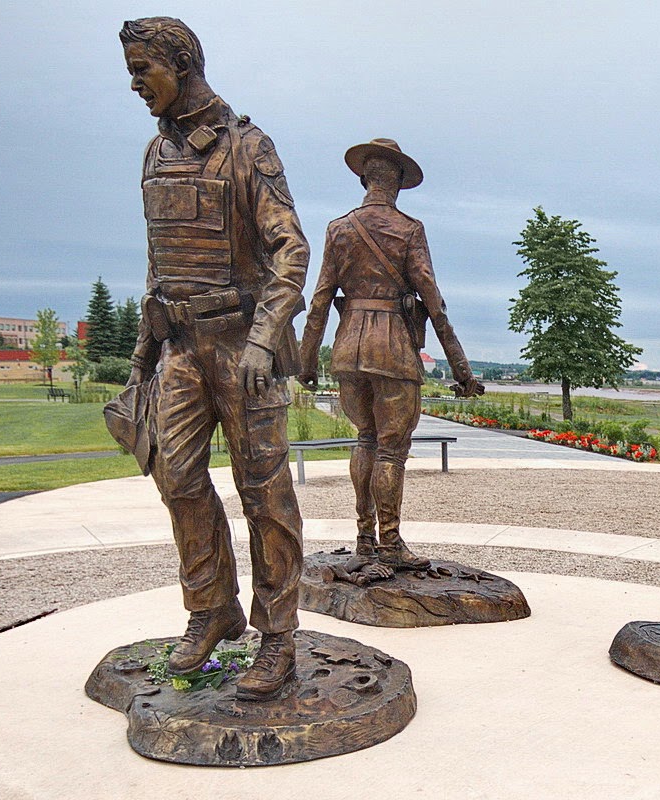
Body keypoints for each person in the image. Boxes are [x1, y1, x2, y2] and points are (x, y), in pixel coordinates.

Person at [117, 17, 308, 699]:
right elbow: (156, 267)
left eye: (145, 69)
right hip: (180, 348)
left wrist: (264, 338)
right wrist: (140, 363)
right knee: (176, 478)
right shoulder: (153, 155)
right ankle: (212, 608)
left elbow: (291, 250)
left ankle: (278, 634)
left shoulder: (247, 148)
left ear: (183, 62)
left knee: (264, 492)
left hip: (241, 346)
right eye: (132, 70)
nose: (135, 83)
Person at [298, 138, 483, 573]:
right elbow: (433, 303)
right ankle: (390, 544)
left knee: (365, 439)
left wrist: (305, 363)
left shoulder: (337, 229)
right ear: (397, 182)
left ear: (365, 178)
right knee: (391, 450)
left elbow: (320, 300)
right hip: (394, 349)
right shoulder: (409, 229)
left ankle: (364, 538)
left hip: (348, 349)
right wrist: (462, 370)